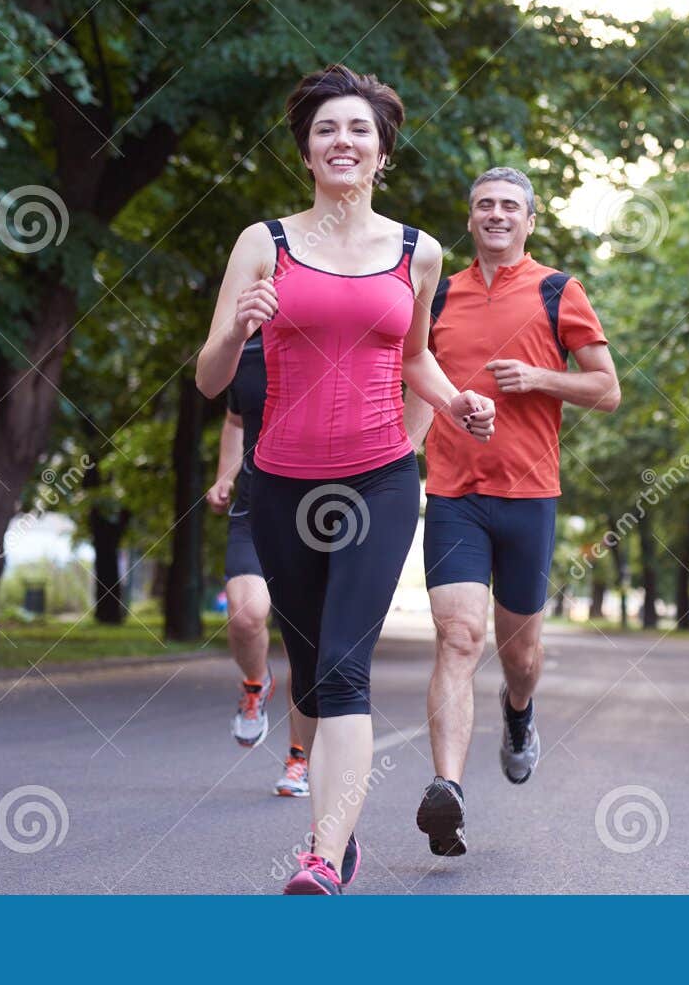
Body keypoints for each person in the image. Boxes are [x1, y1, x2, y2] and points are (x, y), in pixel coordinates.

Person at [195, 64, 495, 895]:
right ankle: (340, 838)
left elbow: (414, 359)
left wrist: (456, 400)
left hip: (380, 479)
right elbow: (210, 377)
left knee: (344, 671)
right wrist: (238, 332)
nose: (342, 141)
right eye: (326, 129)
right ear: (307, 151)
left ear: (381, 151)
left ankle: (323, 854)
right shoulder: (266, 244)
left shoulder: (417, 250)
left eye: (358, 129)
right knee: (311, 662)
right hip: (281, 482)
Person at [405, 167, 619, 857]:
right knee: (459, 636)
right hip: (454, 495)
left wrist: (539, 378)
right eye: (483, 205)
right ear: (469, 219)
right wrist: (399, 458)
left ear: (529, 221)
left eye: (508, 206)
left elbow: (606, 389)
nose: (495, 215)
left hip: (529, 497)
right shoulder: (439, 295)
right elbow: (415, 371)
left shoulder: (559, 290)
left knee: (518, 654)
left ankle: (519, 713)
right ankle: (449, 791)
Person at [205, 333, 309, 798]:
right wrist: (225, 474)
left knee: (308, 644)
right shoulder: (245, 347)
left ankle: (299, 760)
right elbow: (233, 418)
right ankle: (256, 684)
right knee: (246, 616)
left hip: (318, 514)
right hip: (255, 506)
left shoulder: (334, 341)